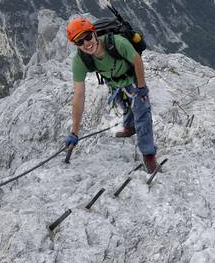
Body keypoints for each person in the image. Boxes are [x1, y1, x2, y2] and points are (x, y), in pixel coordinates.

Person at [64, 16, 158, 174]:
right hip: (113, 81)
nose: (86, 44)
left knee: (141, 112)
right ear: (76, 45)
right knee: (125, 105)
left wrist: (141, 88)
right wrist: (74, 132)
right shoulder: (80, 61)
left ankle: (149, 154)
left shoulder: (117, 43)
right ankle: (129, 127)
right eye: (80, 42)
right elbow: (79, 95)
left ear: (94, 33)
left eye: (87, 37)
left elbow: (137, 60)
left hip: (132, 77)